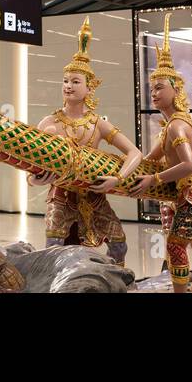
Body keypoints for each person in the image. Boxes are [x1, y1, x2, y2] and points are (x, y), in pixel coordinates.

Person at [129, 15, 192, 293]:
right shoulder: (172, 127)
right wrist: (123, 155)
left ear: (176, 90)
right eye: (152, 88)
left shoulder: (177, 125)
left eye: (159, 87)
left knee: (176, 245)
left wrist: (154, 180)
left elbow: (188, 164)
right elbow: (147, 158)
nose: (154, 93)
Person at [28, 17, 141, 266]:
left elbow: (134, 153)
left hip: (93, 195)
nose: (68, 86)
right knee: (54, 250)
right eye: (65, 81)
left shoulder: (98, 123)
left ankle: (113, 281)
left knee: (119, 245)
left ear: (90, 89)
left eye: (76, 82)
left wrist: (118, 179)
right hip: (60, 195)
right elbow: (30, 166)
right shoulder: (50, 123)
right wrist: (35, 179)